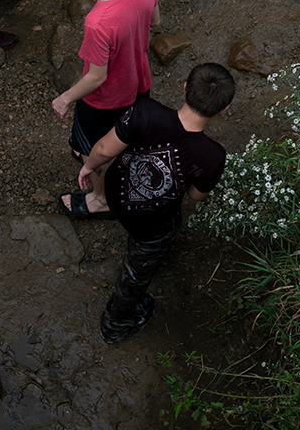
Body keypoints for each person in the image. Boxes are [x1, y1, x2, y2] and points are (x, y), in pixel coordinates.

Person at [70, 63, 235, 343]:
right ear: (223, 110)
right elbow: (195, 196)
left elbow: (102, 149)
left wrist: (88, 168)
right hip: (152, 224)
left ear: (184, 88)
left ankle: (101, 208)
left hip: (116, 194)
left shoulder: (146, 111)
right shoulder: (213, 156)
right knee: (135, 274)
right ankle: (116, 322)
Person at [52, 0, 160, 197]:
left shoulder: (98, 21)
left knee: (95, 149)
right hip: (138, 83)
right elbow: (155, 20)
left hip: (105, 100)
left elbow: (96, 78)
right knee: (124, 135)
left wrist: (64, 99)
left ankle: (100, 199)